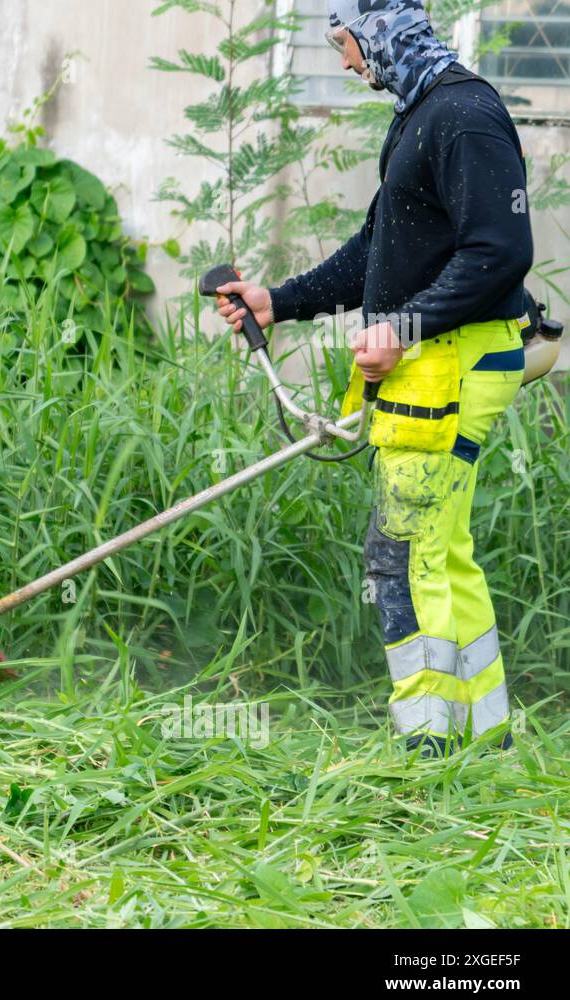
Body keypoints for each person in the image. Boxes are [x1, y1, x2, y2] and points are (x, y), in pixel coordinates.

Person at [214, 1, 533, 757]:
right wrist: (278, 301)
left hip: (455, 361)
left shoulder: (462, 115)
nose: (348, 62)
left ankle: (426, 750)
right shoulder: (421, 112)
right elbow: (379, 246)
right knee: (438, 549)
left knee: (405, 553)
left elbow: (499, 252)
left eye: (346, 42)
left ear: (383, 30)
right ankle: (479, 743)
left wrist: (404, 327)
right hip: (441, 358)